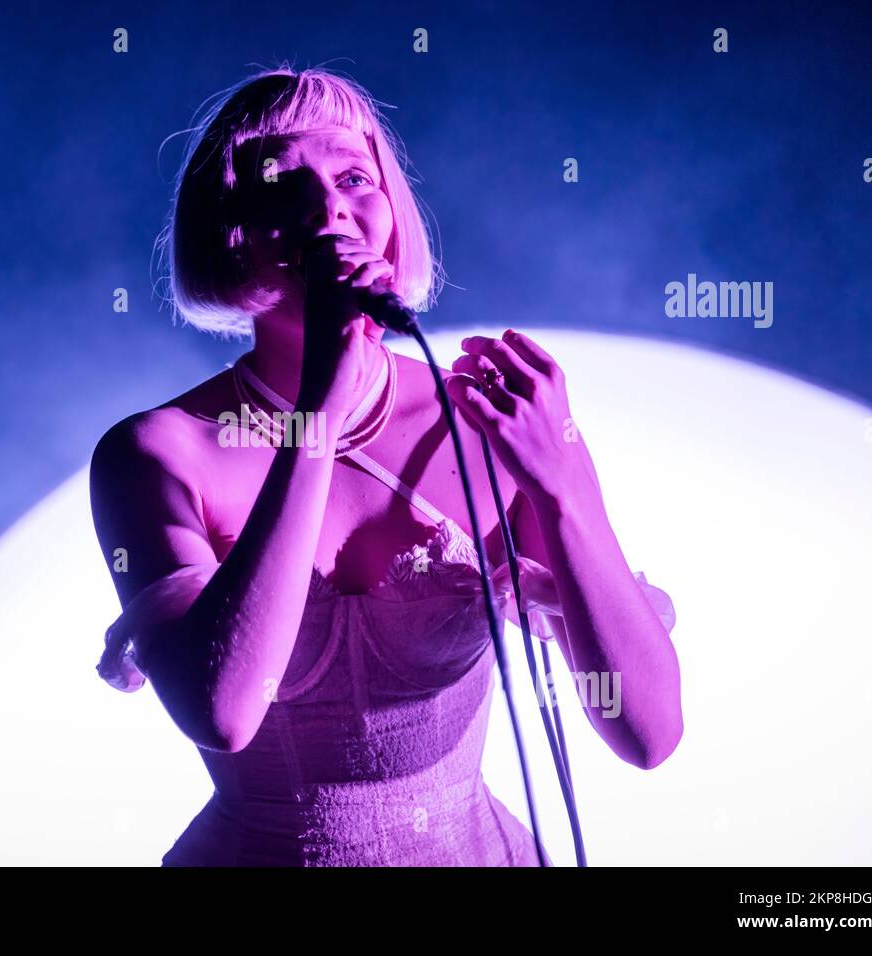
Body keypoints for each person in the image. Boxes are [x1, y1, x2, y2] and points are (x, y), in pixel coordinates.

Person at [90, 66, 681, 866]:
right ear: (226, 228)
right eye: (279, 184)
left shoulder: (485, 416)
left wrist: (563, 485)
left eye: (353, 176)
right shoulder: (159, 452)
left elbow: (647, 732)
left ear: (393, 215)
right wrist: (318, 415)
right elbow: (223, 712)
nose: (326, 205)